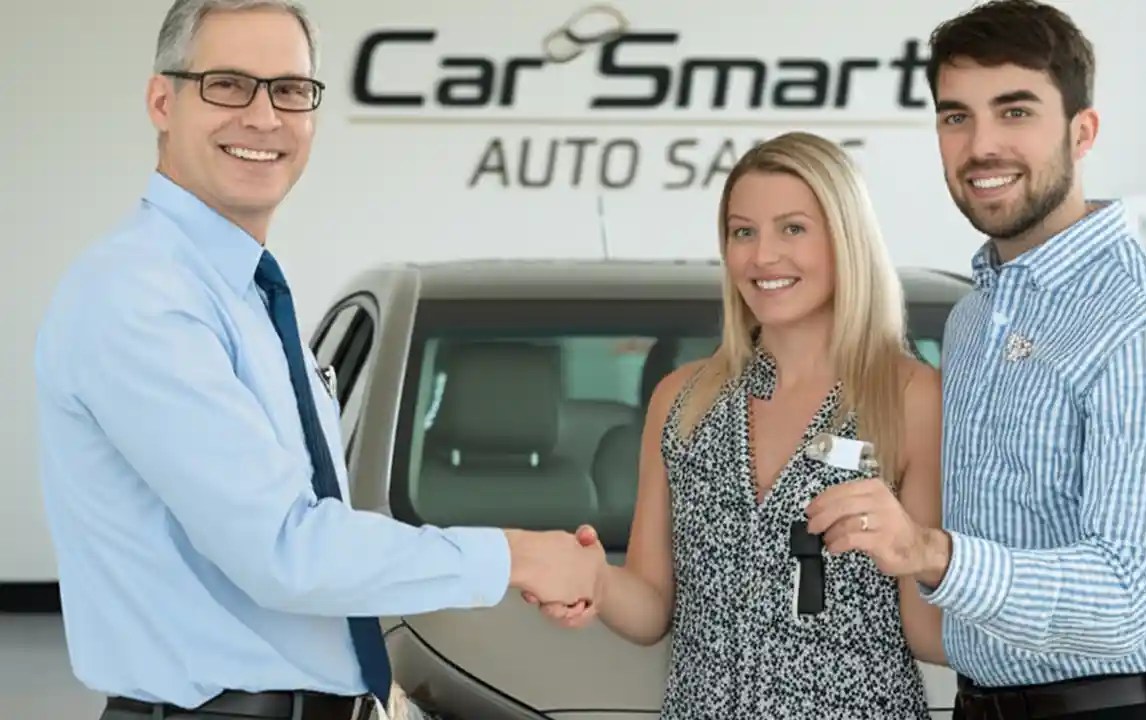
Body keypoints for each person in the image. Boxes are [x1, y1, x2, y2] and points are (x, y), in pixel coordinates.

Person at [32, 2, 602, 719]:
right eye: (227, 85)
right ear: (162, 102)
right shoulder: (140, 296)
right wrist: (520, 556)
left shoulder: (243, 295)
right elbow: (283, 549)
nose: (263, 117)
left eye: (290, 90)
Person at [747, 2, 1146, 719]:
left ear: (1082, 131)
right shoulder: (976, 316)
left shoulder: (1143, 318)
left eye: (1015, 112)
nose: (981, 146)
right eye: (956, 117)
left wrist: (929, 552)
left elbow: (1126, 596)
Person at [526, 131, 949, 719]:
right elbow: (651, 607)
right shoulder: (683, 400)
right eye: (743, 231)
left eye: (793, 229)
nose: (762, 256)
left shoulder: (910, 397)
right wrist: (594, 581)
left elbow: (929, 634)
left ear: (846, 238)